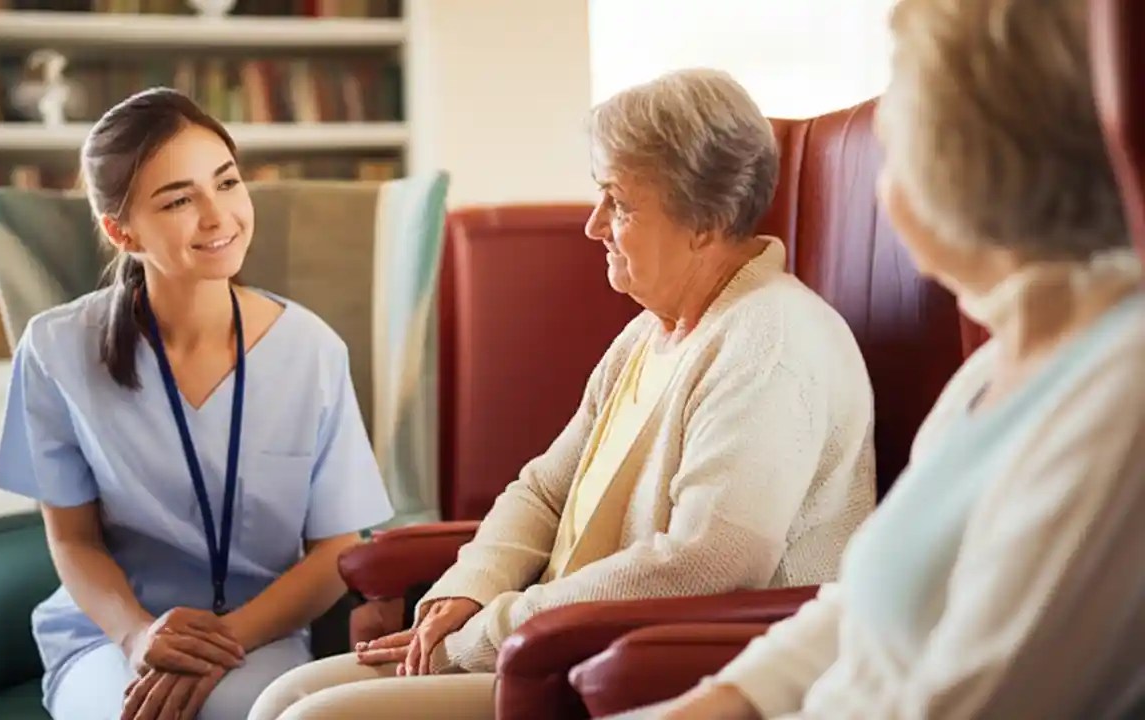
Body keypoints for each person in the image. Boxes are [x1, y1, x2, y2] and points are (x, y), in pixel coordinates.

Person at [248, 68, 878, 720]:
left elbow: (709, 559)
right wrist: (465, 592)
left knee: (308, 717)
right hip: (558, 644)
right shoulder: (648, 336)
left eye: (620, 202)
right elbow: (544, 490)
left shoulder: (768, 342)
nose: (594, 225)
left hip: (664, 669)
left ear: (705, 221)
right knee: (283, 698)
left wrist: (494, 628)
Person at [612, 1, 1145, 719]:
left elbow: (971, 704)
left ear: (976, 159)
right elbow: (863, 607)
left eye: (900, 131)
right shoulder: (994, 372)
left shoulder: (1120, 394)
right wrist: (719, 700)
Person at [0, 87, 394, 720]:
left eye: (227, 182)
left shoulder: (312, 350)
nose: (217, 215)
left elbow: (334, 553)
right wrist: (138, 635)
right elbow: (74, 542)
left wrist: (228, 637)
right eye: (179, 199)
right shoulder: (56, 350)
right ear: (120, 231)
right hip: (112, 635)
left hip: (259, 633)